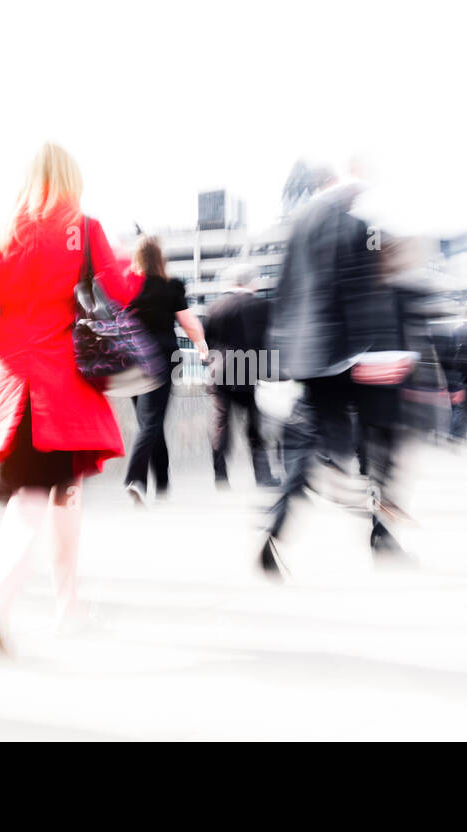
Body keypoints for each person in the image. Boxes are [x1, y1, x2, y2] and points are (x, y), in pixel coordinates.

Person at [0, 143, 135, 649]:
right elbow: (120, 293)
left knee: (63, 494)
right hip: (57, 388)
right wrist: (130, 262)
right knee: (35, 496)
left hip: (9, 379)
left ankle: (69, 607)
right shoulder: (83, 229)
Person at [257, 165, 410, 578]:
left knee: (310, 445)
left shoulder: (300, 225)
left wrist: (282, 355)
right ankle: (379, 531)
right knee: (376, 442)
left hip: (309, 358)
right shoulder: (355, 227)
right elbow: (364, 293)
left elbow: (284, 294)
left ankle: (275, 529)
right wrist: (376, 351)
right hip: (350, 354)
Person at [122, 235, 207, 505]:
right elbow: (188, 322)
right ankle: (137, 478)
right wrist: (201, 343)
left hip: (132, 359)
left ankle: (161, 480)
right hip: (162, 357)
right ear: (161, 258)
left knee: (148, 420)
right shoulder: (171, 286)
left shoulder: (127, 285)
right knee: (153, 420)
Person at [202, 264, 277, 488]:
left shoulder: (214, 307)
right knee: (255, 425)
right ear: (250, 283)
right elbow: (269, 342)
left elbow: (207, 344)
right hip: (252, 372)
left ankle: (220, 476)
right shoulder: (263, 306)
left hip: (219, 372)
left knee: (221, 424)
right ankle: (263, 477)